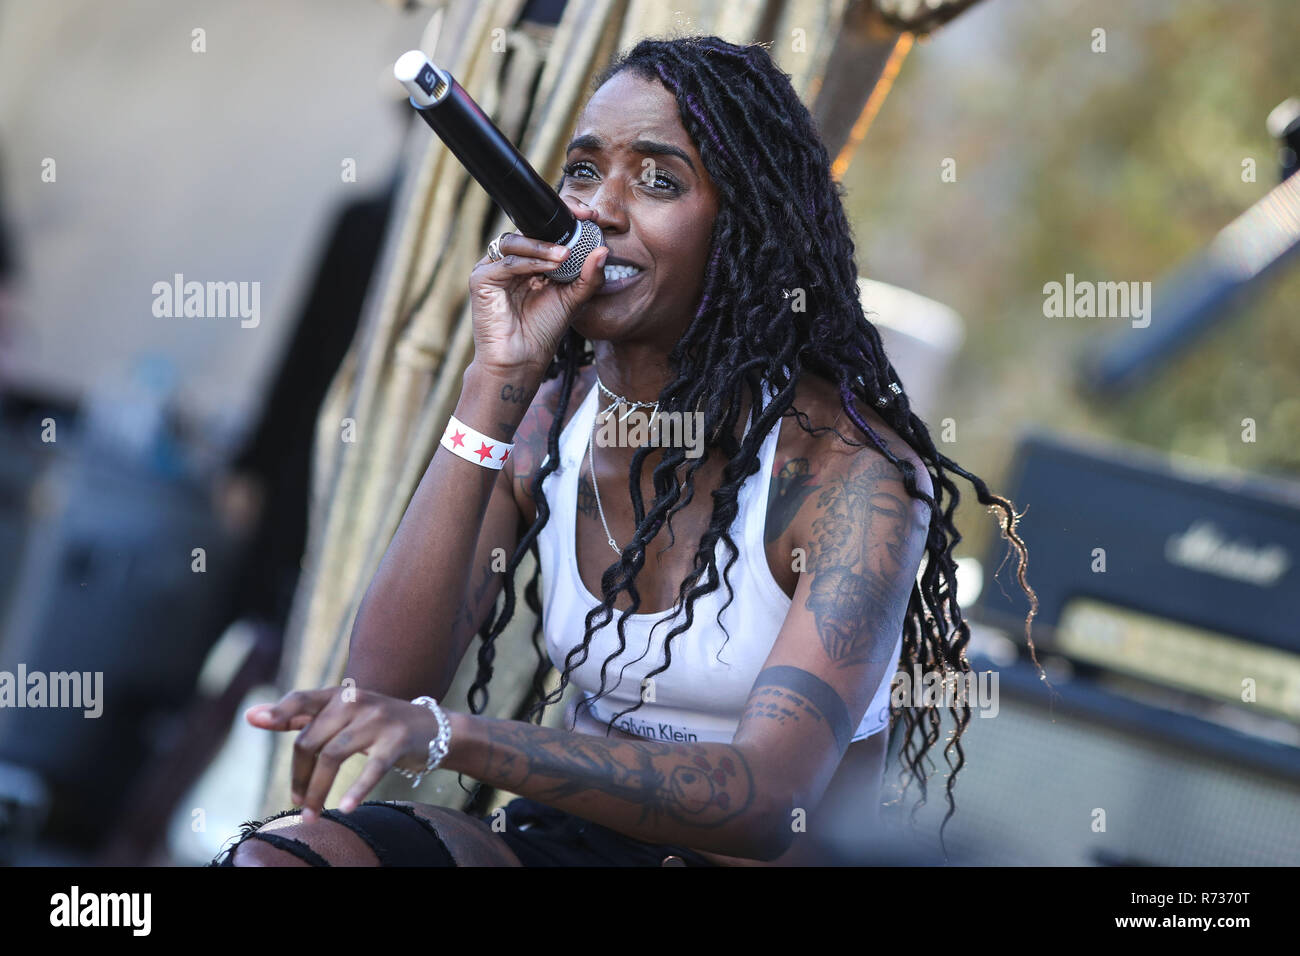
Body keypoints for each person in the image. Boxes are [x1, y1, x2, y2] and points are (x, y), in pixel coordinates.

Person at [209, 34, 1035, 868]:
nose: (598, 209)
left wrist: (454, 736)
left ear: (744, 229)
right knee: (285, 862)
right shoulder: (549, 419)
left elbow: (760, 801)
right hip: (577, 851)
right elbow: (387, 685)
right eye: (581, 171)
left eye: (658, 180)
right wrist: (493, 382)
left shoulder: (851, 477)